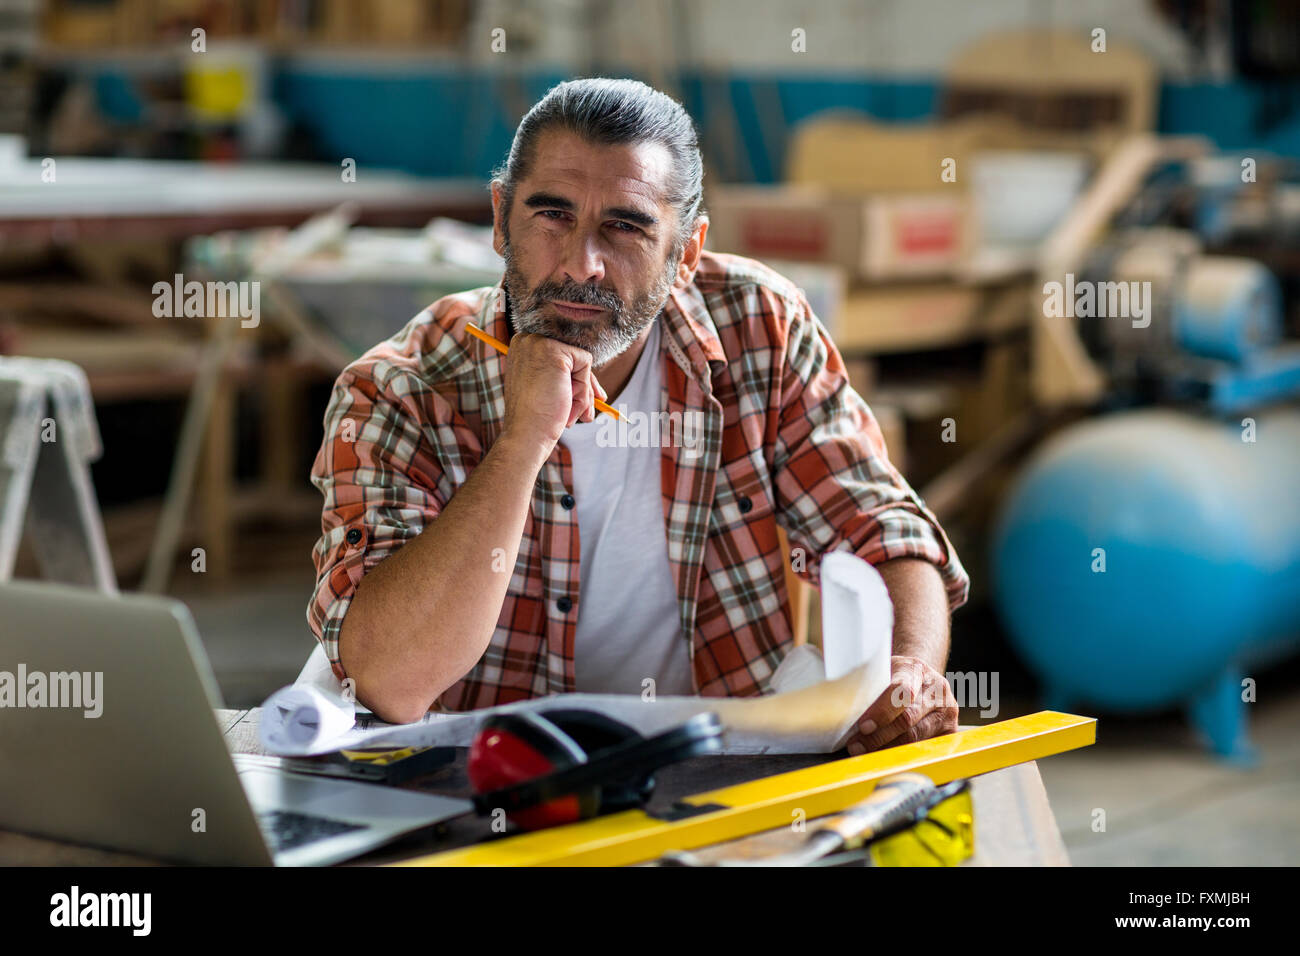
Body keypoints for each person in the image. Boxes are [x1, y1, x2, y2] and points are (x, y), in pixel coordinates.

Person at [307, 78, 969, 755]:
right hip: (482, 788)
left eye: (623, 227)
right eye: (551, 216)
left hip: (722, 774)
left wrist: (911, 669)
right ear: (501, 218)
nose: (581, 265)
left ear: (685, 253)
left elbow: (882, 530)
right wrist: (522, 443)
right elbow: (388, 682)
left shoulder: (760, 327)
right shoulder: (399, 388)